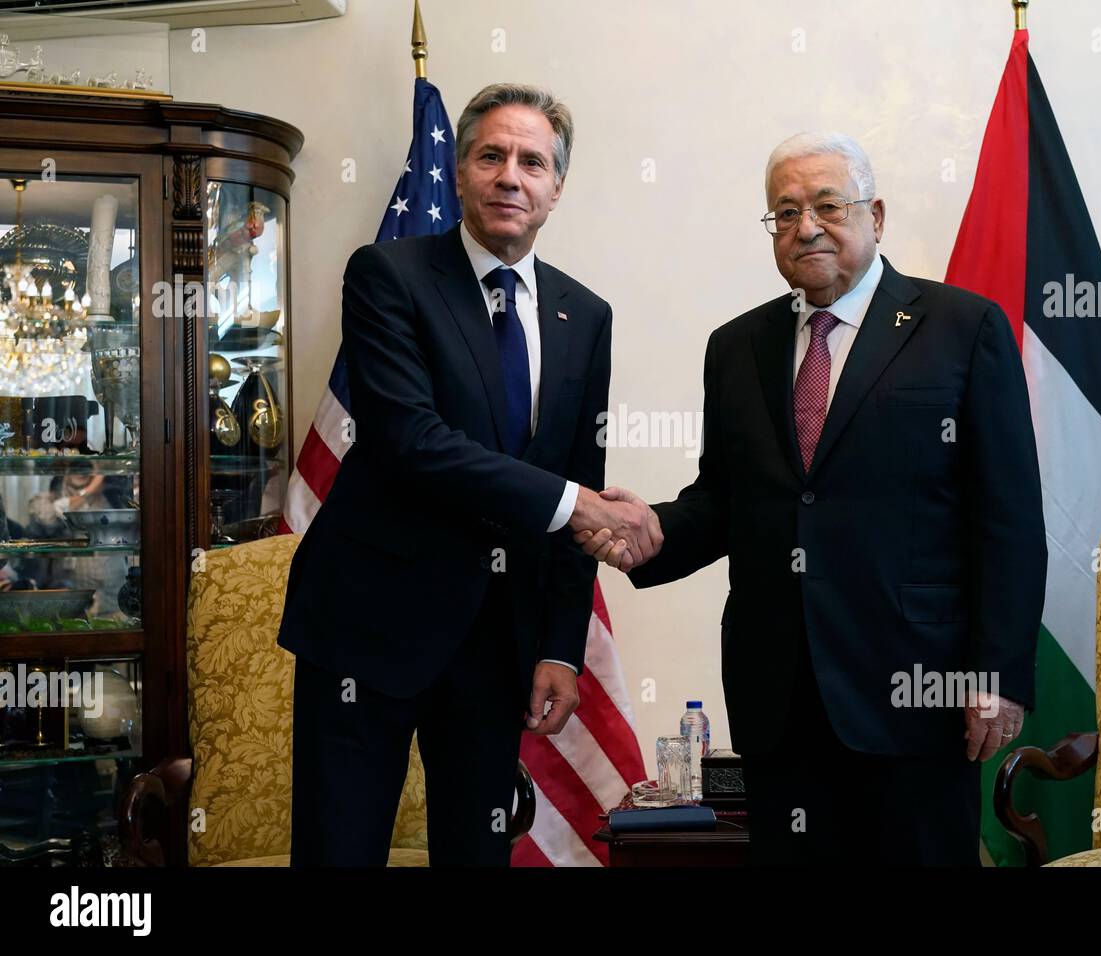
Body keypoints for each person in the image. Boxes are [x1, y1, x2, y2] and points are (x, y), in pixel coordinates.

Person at [579, 132, 1047, 865]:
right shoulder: (736, 347)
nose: (805, 226)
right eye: (785, 212)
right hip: (780, 698)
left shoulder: (962, 328)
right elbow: (726, 501)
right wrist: (652, 532)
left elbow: (1009, 521)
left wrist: (998, 674)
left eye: (827, 205)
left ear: (876, 215)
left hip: (918, 692)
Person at [277, 83, 657, 866]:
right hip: (367, 628)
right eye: (491, 156)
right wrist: (572, 502)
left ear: (557, 187)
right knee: (339, 851)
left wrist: (558, 645)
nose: (511, 176)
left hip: (496, 644)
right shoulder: (388, 275)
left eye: (532, 162)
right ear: (459, 172)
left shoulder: (586, 317)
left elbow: (578, 476)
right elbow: (413, 441)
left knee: (476, 855)